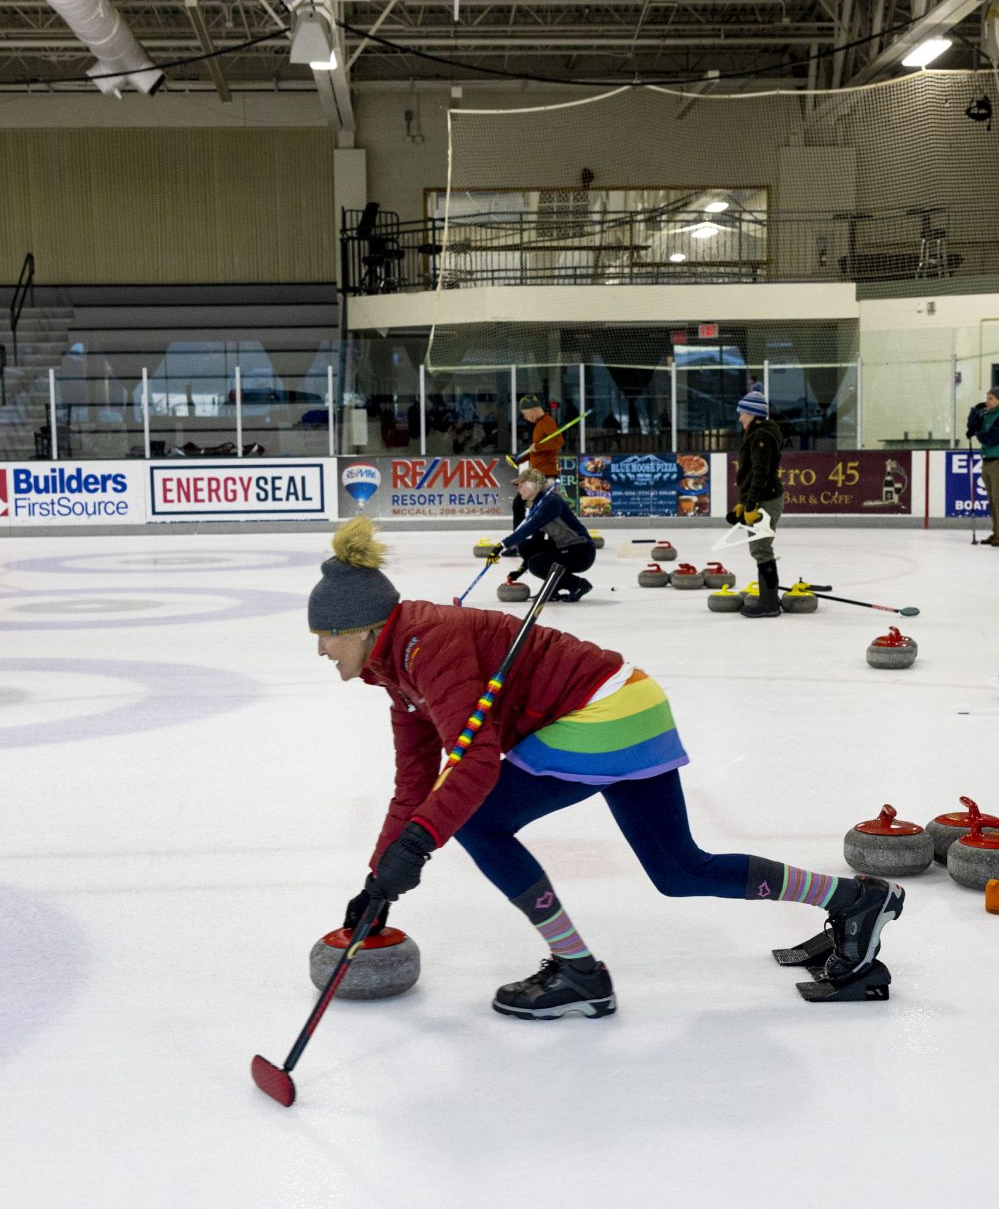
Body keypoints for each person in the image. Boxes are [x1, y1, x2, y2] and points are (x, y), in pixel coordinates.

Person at [310, 517, 905, 1016]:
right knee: (679, 869)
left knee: (479, 821)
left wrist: (415, 845)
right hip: (633, 702)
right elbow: (413, 785)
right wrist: (377, 882)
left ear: (361, 628)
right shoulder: (398, 673)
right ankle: (853, 899)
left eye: (325, 637)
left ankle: (578, 972)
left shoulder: (429, 643)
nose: (320, 650)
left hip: (600, 712)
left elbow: (474, 762)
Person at [727, 382, 786, 617]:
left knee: (761, 550)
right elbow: (752, 474)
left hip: (765, 500)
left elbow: (761, 474)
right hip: (763, 498)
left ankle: (769, 603)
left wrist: (751, 503)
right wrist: (744, 503)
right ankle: (770, 598)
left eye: (742, 412)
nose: (740, 417)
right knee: (761, 549)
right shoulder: (759, 433)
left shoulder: (761, 436)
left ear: (752, 413)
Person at [498, 466, 595, 602]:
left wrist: (502, 545)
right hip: (564, 547)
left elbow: (529, 528)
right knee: (526, 546)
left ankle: (577, 584)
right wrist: (519, 571)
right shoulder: (538, 504)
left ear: (533, 486)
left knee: (537, 564)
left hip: (580, 550)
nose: (518, 489)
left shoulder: (551, 502)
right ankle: (553, 589)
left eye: (521, 485)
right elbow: (536, 542)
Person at [966, 387, 999, 545]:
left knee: (997, 498)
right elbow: (974, 427)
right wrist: (974, 419)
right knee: (991, 500)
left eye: (991, 398)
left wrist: (979, 435)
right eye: (987, 398)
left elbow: (993, 437)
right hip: (987, 461)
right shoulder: (988, 414)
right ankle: (996, 532)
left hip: (998, 461)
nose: (987, 401)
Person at [513, 394, 563, 527]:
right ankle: (530, 540)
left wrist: (539, 447)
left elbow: (558, 442)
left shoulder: (547, 422)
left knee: (520, 504)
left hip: (544, 475)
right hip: (538, 475)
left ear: (533, 409)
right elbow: (535, 452)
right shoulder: (539, 425)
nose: (525, 417)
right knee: (537, 509)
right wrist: (518, 460)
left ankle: (518, 540)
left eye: (525, 413)